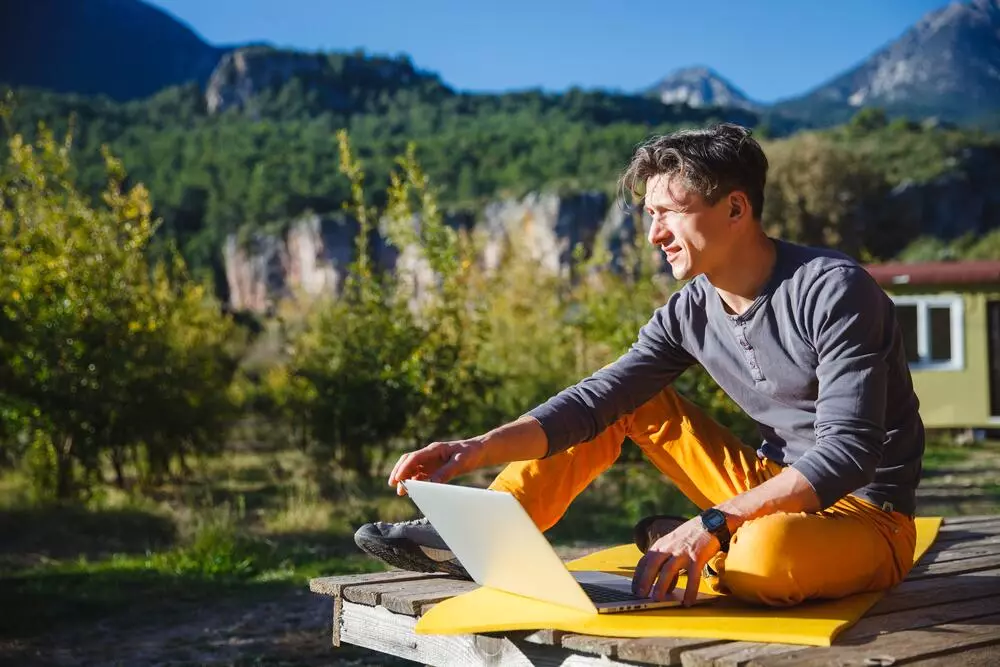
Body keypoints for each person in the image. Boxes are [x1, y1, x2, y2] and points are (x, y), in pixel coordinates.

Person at [354, 123, 924, 607]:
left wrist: (712, 523)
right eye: (649, 216)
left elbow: (848, 453)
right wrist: (475, 448)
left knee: (764, 558)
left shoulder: (833, 290)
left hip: (866, 516)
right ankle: (475, 534)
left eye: (668, 213)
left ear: (734, 208)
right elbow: (595, 400)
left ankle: (709, 545)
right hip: (764, 489)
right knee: (629, 405)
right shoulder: (689, 311)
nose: (654, 235)